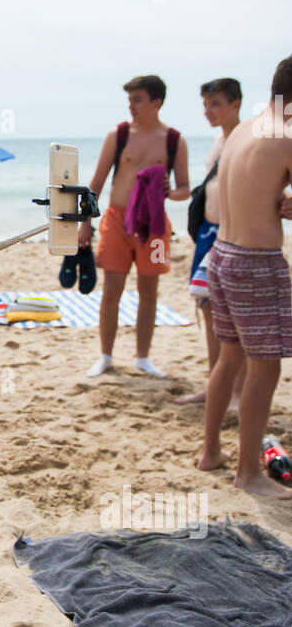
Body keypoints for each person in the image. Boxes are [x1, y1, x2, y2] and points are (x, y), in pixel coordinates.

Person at [197, 56, 292, 498]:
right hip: (256, 263)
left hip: (221, 254)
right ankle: (248, 473)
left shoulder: (244, 129)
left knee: (229, 358)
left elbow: (255, 187)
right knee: (264, 369)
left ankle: (210, 451)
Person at [79, 76, 189, 378]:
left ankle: (143, 357)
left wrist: (170, 191)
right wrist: (85, 223)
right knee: (111, 290)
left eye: (137, 99)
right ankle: (106, 356)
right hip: (116, 220)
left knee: (149, 292)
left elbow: (185, 189)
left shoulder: (174, 140)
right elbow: (97, 183)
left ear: (157, 102)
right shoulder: (119, 134)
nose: (131, 106)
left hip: (153, 226)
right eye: (129, 100)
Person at [174, 79, 244, 406]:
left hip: (234, 234)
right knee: (207, 309)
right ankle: (214, 385)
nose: (208, 111)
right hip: (207, 234)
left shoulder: (248, 140)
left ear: (236, 103)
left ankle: (236, 391)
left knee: (233, 317)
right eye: (205, 104)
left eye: (215, 103)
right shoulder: (218, 140)